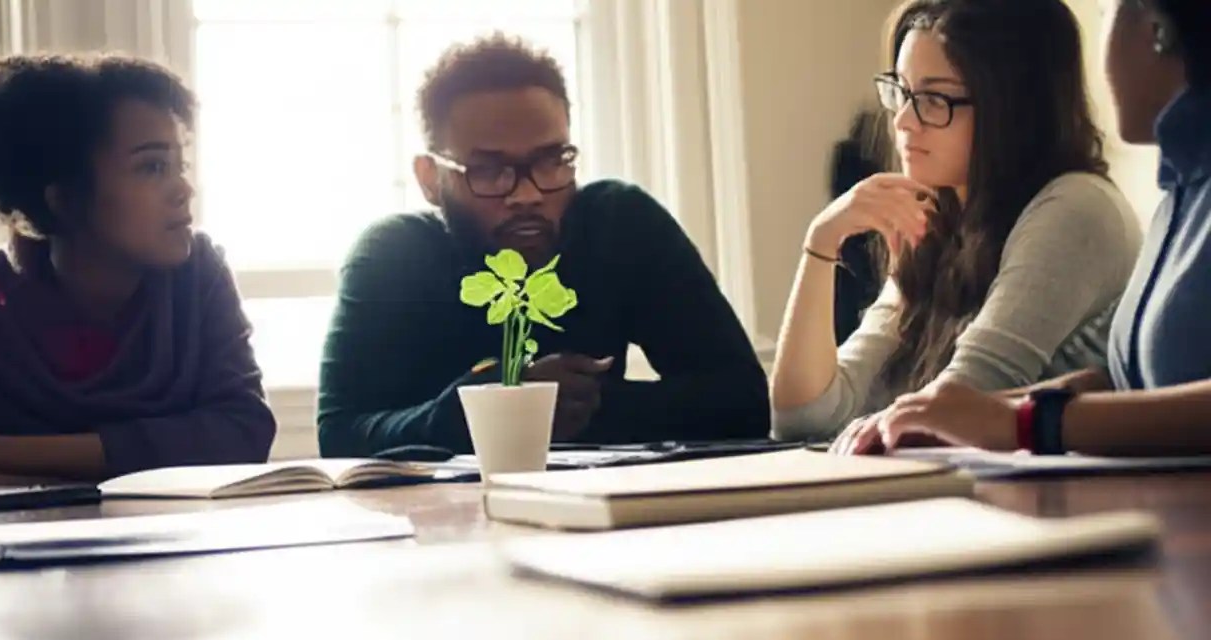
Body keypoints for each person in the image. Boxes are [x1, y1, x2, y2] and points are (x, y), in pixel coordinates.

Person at [317, 34, 768, 457]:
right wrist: (481, 409)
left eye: (551, 162)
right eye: (491, 171)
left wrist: (580, 406)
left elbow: (743, 404)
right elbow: (340, 435)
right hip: (435, 529)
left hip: (602, 519)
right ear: (430, 179)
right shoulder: (393, 256)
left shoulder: (619, 224)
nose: (528, 194)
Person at [770, 0, 1143, 446]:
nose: (904, 122)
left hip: (1056, 507)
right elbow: (803, 419)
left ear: (1012, 109)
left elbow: (959, 401)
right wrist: (821, 242)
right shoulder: (944, 219)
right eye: (901, 92)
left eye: (934, 98)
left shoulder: (1077, 208)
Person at [847, 0, 1211, 457]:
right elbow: (1127, 383)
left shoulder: (1084, 204)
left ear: (1158, 31)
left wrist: (1023, 423)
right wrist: (968, 413)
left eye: (1106, 15)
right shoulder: (1182, 194)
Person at [0, 54, 276, 489]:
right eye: (152, 167)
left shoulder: (199, 274)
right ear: (63, 197)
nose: (183, 189)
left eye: (181, 165)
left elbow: (243, 433)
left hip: (178, 547)